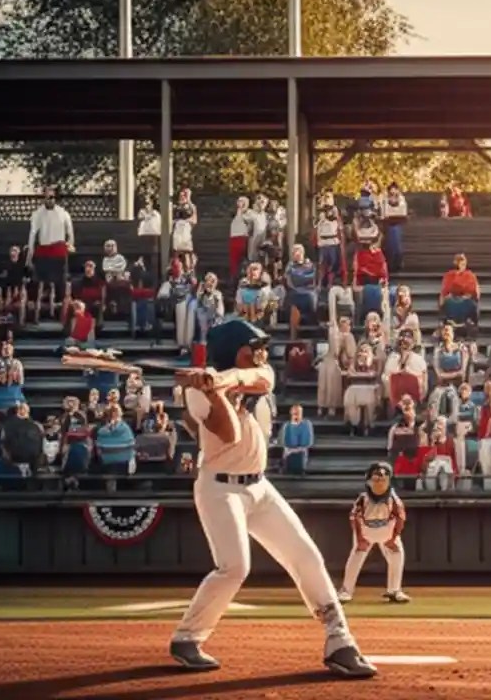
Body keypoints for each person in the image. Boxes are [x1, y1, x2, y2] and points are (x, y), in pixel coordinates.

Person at [169, 320, 375, 677]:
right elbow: (230, 434)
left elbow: (263, 377)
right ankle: (187, 637)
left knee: (305, 554)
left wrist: (222, 379)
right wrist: (212, 390)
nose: (262, 352)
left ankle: (339, 640)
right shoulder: (197, 393)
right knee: (235, 567)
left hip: (260, 488)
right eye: (253, 346)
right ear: (233, 350)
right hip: (220, 489)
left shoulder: (247, 375)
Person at [338, 462, 410, 604]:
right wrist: (360, 538)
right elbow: (354, 518)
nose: (379, 480)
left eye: (383, 477)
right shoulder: (363, 499)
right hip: (366, 530)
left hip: (387, 530)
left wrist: (393, 537)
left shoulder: (393, 499)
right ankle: (346, 591)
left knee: (397, 555)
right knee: (356, 557)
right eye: (376, 477)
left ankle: (394, 590)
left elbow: (401, 517)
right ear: (369, 480)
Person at [26, 188, 74, 325]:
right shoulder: (37, 214)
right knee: (40, 284)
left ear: (55, 198)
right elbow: (32, 234)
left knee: (60, 283)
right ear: (43, 198)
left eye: (52, 197)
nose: (50, 200)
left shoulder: (63, 213)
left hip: (58, 250)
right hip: (43, 250)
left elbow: (70, 233)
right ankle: (37, 315)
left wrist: (69, 246)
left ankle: (61, 316)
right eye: (47, 197)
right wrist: (30, 254)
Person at [438, 254, 481, 329]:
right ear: (455, 263)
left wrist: (468, 296)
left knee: (471, 305)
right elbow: (444, 292)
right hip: (452, 302)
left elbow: (476, 294)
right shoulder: (449, 275)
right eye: (459, 261)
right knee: (448, 303)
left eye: (463, 262)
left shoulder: (470, 275)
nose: (461, 264)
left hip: (466, 302)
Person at [229, 196, 261, 281]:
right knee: (234, 262)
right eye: (239, 201)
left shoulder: (250, 213)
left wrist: (241, 210)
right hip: (234, 239)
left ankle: (245, 277)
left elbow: (250, 223)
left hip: (243, 238)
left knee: (243, 260)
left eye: (242, 201)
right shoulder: (236, 213)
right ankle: (234, 279)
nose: (240, 203)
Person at [380, 183, 408, 270]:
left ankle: (397, 262)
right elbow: (384, 214)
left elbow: (403, 212)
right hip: (388, 226)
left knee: (396, 240)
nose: (393, 193)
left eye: (395, 191)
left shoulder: (401, 200)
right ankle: (391, 262)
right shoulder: (384, 200)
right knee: (390, 242)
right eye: (391, 192)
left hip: (397, 225)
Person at [171, 187, 198, 272]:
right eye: (181, 195)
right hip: (177, 230)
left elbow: (194, 220)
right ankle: (176, 271)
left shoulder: (191, 207)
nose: (182, 197)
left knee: (186, 252)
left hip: (185, 230)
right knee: (176, 252)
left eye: (184, 195)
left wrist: (184, 221)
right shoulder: (176, 207)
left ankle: (188, 271)